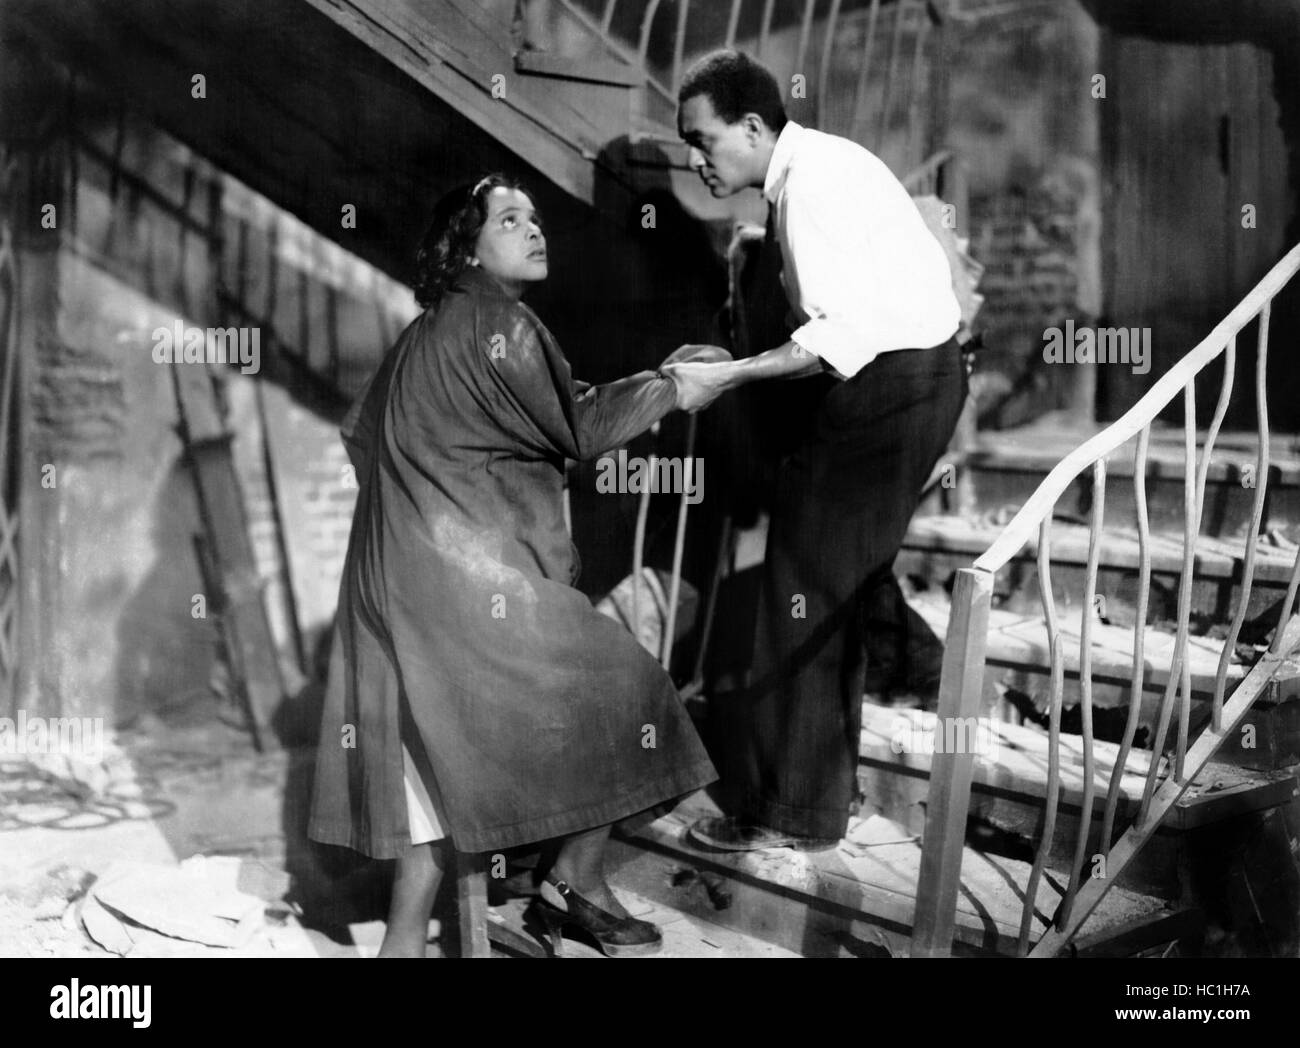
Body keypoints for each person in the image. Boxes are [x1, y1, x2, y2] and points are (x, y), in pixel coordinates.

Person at [307, 174, 721, 956]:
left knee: (429, 758)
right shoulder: (506, 322)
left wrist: (436, 497)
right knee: (627, 688)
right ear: (467, 245)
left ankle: (404, 940)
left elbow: (357, 431)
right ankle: (577, 876)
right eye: (509, 219)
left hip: (386, 578)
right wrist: (673, 384)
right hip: (452, 584)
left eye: (534, 217)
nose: (534, 229)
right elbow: (584, 426)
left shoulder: (425, 329)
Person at [661, 50, 967, 851]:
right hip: (908, 383)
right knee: (829, 585)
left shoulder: (814, 186)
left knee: (796, 593)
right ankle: (825, 787)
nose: (696, 161)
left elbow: (830, 343)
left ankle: (789, 812)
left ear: (755, 126)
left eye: (704, 140)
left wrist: (726, 376)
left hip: (886, 392)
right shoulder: (818, 172)